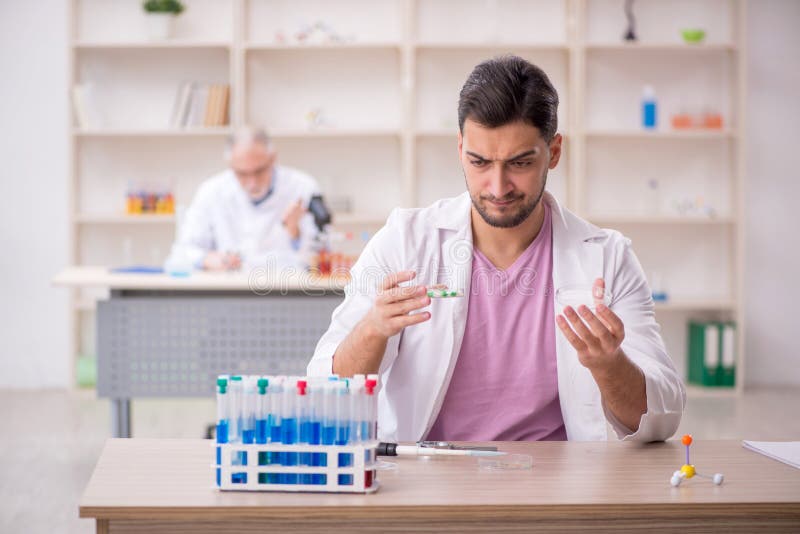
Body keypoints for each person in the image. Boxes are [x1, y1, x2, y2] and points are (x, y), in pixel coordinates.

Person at [308, 55, 685, 443]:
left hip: (557, 488)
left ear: (554, 152)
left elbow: (661, 418)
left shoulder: (608, 257)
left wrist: (609, 365)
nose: (498, 185)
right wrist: (373, 330)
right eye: (480, 162)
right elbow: (322, 394)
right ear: (460, 149)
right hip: (431, 483)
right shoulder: (405, 241)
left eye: (519, 163)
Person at [165, 126, 320, 272]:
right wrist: (209, 259)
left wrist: (295, 232)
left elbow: (321, 254)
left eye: (259, 171)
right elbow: (184, 251)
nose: (252, 182)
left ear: (273, 158)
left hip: (288, 292)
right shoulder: (211, 192)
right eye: (242, 174)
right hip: (229, 292)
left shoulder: (303, 187)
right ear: (230, 164)